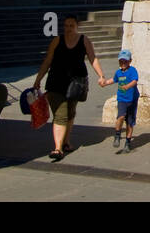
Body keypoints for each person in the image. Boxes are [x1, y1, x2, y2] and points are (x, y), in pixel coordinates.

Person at [34, 14, 107, 161]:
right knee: (61, 115)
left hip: (76, 83)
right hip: (56, 83)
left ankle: (66, 142)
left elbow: (93, 58)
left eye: (71, 26)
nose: (68, 29)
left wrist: (101, 75)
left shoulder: (84, 40)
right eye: (66, 26)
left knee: (71, 112)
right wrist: (38, 79)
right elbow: (48, 60)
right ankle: (58, 148)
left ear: (77, 26)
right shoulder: (57, 41)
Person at [100, 49, 139, 152]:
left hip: (132, 99)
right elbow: (114, 79)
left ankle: (128, 142)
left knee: (130, 122)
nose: (123, 63)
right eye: (121, 61)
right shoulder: (118, 72)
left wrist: (128, 86)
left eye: (125, 61)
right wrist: (105, 83)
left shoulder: (132, 70)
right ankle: (117, 135)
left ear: (130, 61)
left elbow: (135, 81)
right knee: (120, 117)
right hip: (122, 98)